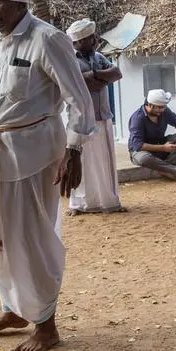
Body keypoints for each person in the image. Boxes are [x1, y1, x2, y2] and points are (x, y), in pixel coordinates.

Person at [0, 0, 94, 351]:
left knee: (31, 237)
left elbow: (79, 100)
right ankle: (13, 309)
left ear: (19, 0)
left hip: (35, 154)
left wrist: (74, 149)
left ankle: (46, 324)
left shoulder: (47, 39)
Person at [66, 18, 125, 215]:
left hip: (103, 117)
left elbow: (116, 73)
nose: (96, 40)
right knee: (80, 162)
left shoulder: (98, 57)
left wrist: (93, 75)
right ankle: (78, 205)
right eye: (92, 38)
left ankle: (108, 201)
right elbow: (77, 83)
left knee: (105, 163)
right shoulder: (69, 61)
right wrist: (99, 78)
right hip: (80, 120)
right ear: (82, 40)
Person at [127, 90, 176, 181]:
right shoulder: (137, 118)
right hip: (141, 151)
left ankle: (166, 169)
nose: (162, 110)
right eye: (159, 107)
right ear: (150, 105)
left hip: (161, 144)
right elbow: (138, 145)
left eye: (164, 107)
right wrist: (163, 148)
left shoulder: (164, 111)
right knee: (144, 159)